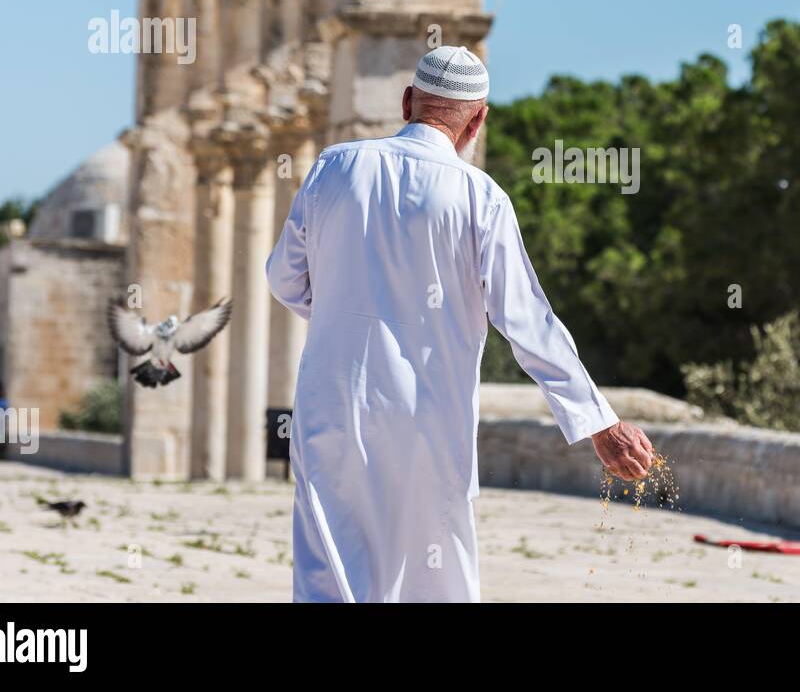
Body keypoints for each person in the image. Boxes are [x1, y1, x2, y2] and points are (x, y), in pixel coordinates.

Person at [266, 46, 654, 602]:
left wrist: (344, 312)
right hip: (432, 417)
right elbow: (528, 322)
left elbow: (284, 278)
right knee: (436, 575)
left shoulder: (336, 166)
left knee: (332, 568)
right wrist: (601, 424)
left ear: (406, 102)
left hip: (336, 403)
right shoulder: (481, 197)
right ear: (477, 121)